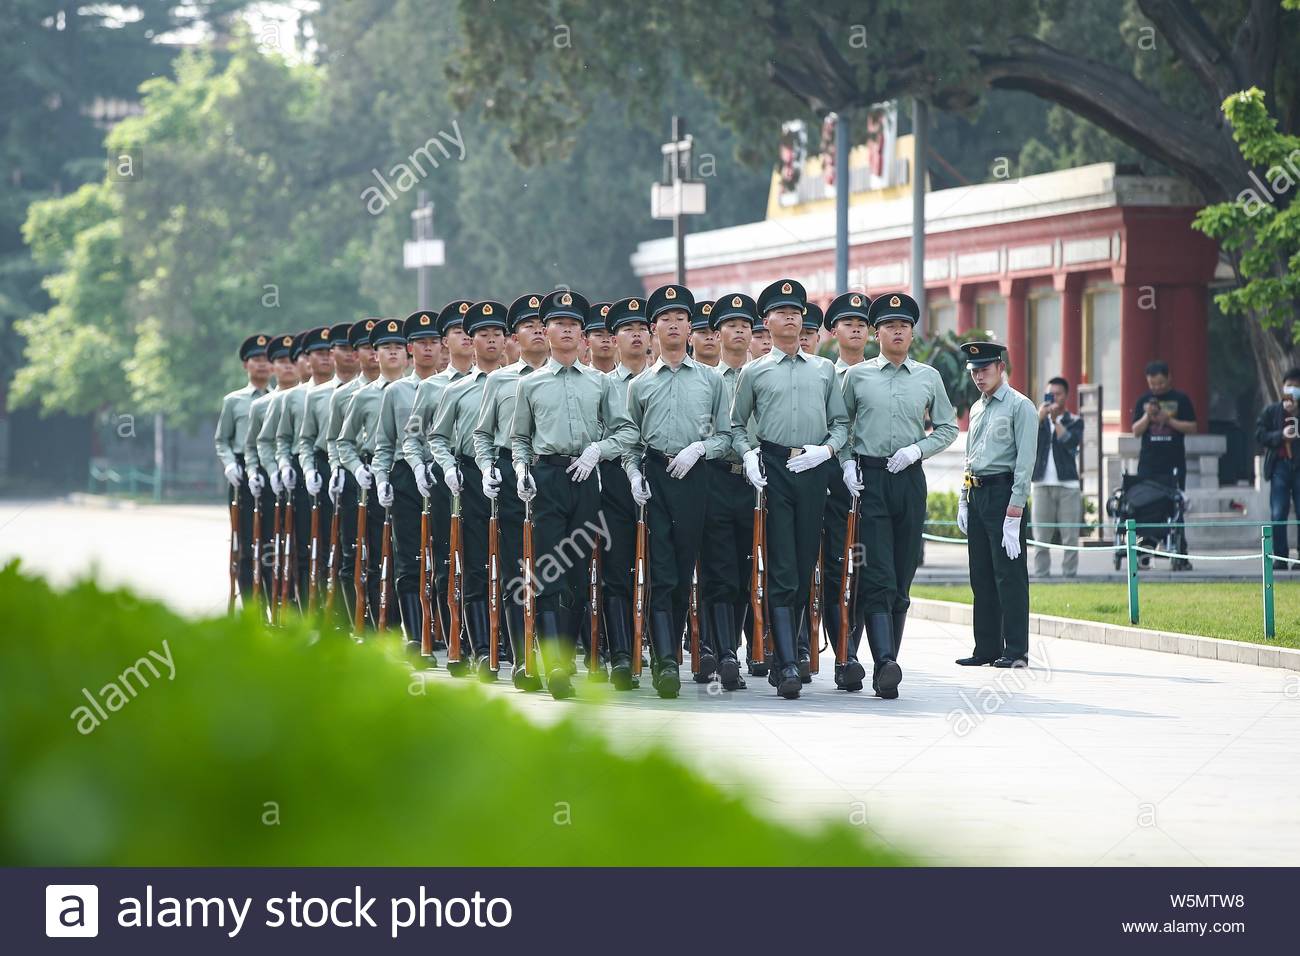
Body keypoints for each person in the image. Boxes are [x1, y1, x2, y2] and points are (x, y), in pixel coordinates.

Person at [510, 290, 633, 700]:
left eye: (573, 325)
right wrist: (521, 469)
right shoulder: (530, 385)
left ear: (583, 335)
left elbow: (626, 431)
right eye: (559, 324)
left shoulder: (600, 383)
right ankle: (555, 663)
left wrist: (600, 450)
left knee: (578, 577)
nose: (566, 331)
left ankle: (568, 656)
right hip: (547, 478)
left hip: (585, 478)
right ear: (545, 332)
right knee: (548, 573)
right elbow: (519, 438)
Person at [731, 278, 848, 699]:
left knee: (802, 567)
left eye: (797, 312)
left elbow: (841, 423)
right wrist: (748, 455)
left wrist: (827, 451)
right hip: (776, 466)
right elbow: (736, 424)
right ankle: (784, 663)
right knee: (780, 566)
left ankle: (791, 652)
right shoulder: (754, 371)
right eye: (782, 312)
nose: (791, 318)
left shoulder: (824, 370)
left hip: (812, 465)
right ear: (767, 322)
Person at [840, 293, 958, 697]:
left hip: (908, 478)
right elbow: (839, 425)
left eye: (904, 326)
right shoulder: (856, 377)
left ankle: (887, 660)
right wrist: (846, 461)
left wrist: (917, 449)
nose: (897, 332)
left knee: (903, 573)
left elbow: (947, 427)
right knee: (876, 572)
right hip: (869, 480)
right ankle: (885, 662)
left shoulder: (928, 377)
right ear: (877, 333)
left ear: (912, 332)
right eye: (889, 326)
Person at [619, 284, 732, 698]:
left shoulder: (710, 381)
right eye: (664, 319)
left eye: (680, 319)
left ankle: (682, 652)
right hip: (656, 475)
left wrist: (700, 448)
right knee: (661, 573)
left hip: (696, 476)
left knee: (685, 571)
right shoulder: (640, 385)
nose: (673, 325)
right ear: (653, 329)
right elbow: (629, 440)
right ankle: (665, 661)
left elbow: (727, 435)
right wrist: (634, 475)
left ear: (690, 327)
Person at [474, 293, 550, 691]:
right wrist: (487, 467)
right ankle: (522, 656)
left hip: (557, 472)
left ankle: (556, 653)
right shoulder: (500, 381)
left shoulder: (570, 378)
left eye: (542, 324)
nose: (537, 331)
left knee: (556, 565)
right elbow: (483, 434)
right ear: (512, 338)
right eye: (527, 326)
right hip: (511, 476)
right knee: (516, 569)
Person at [430, 300, 508, 680]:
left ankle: (511, 642)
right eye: (482, 334)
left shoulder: (518, 381)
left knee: (515, 563)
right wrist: (447, 469)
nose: (490, 340)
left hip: (512, 476)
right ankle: (480, 645)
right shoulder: (457, 390)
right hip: (469, 480)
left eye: (497, 333)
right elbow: (438, 438)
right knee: (476, 564)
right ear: (470, 341)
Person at [955, 341, 1037, 669]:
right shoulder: (977, 408)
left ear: (1001, 367)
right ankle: (986, 647)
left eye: (984, 369)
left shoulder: (1021, 406)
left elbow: (1025, 461)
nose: (978, 376)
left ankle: (1016, 649)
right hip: (977, 493)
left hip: (1004, 494)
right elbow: (970, 456)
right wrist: (964, 498)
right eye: (974, 371)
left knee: (1009, 574)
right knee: (982, 575)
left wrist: (1016, 508)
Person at [402, 300, 475, 659]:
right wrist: (418, 467)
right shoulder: (431, 389)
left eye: (469, 331)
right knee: (446, 561)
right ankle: (448, 635)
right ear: (445, 341)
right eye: (457, 332)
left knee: (482, 561)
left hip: (480, 476)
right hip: (444, 480)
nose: (466, 338)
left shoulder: (494, 381)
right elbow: (412, 438)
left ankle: (484, 639)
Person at [370, 310, 443, 662]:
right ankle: (416, 636)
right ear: (411, 348)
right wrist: (382, 477)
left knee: (447, 556)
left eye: (433, 342)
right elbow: (385, 442)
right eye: (421, 343)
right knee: (410, 557)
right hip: (405, 476)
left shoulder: (452, 386)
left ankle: (446, 629)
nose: (427, 349)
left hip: (446, 475)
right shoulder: (396, 392)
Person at [336, 318, 410, 632]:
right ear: (374, 354)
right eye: (384, 348)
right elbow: (343, 442)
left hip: (408, 473)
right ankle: (364, 617)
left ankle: (402, 623)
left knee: (405, 552)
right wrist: (357, 470)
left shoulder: (418, 390)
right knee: (370, 550)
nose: (392, 353)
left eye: (398, 347)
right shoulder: (361, 397)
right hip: (371, 476)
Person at [701, 292, 757, 690]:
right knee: (718, 569)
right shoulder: (705, 379)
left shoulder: (766, 374)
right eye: (731, 325)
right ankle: (722, 653)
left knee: (744, 570)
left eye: (745, 326)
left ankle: (732, 647)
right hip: (717, 477)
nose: (738, 331)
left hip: (758, 481)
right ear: (718, 333)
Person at [598, 296, 651, 689]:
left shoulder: (665, 376)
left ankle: (651, 640)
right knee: (617, 569)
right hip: (616, 481)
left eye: (640, 328)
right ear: (614, 339)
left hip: (666, 477)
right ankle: (620, 651)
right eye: (626, 329)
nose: (635, 335)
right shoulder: (600, 385)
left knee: (658, 568)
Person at [819, 293, 870, 690]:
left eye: (862, 322)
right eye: (847, 322)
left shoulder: (879, 375)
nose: (856, 328)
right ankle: (837, 652)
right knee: (834, 571)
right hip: (830, 485)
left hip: (872, 485)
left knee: (865, 570)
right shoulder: (821, 375)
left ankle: (852, 647)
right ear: (833, 331)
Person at [324, 319, 381, 628]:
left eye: (377, 348)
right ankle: (350, 620)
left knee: (385, 550)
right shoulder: (344, 395)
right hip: (353, 472)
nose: (373, 354)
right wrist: (340, 468)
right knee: (353, 551)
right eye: (366, 349)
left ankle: (380, 622)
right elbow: (335, 439)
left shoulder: (399, 389)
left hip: (387, 472)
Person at [277, 327, 336, 609]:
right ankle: (303, 604)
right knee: (306, 543)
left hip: (336, 468)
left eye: (329, 352)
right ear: (307, 358)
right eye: (319, 354)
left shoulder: (343, 391)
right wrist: (286, 467)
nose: (325, 358)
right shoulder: (294, 397)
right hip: (305, 470)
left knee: (335, 540)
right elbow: (283, 440)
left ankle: (334, 606)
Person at [215, 333, 272, 604]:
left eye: (266, 359)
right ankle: (250, 601)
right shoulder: (233, 401)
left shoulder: (280, 399)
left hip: (272, 469)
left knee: (273, 539)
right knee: (246, 541)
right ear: (245, 365)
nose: (262, 364)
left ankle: (274, 598)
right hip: (240, 472)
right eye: (256, 359)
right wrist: (229, 465)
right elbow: (222, 440)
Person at [245, 334, 299, 607]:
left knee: (299, 543)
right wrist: (256, 472)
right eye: (280, 361)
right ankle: (268, 595)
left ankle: (295, 600)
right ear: (273, 366)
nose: (287, 366)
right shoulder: (261, 405)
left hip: (301, 479)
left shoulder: (305, 398)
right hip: (270, 481)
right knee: (269, 542)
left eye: (292, 360)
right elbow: (254, 445)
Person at [1031, 376, 1085, 577]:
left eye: (1057, 394)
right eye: (1049, 394)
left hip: (1068, 485)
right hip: (1041, 484)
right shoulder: (1038, 420)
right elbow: (1024, 438)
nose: (1053, 397)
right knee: (1041, 535)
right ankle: (1041, 574)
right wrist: (1040, 418)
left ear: (1066, 396)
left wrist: (1056, 421)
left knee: (1070, 536)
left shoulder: (1075, 421)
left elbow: (1071, 444)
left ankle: (1070, 576)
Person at [1256, 368, 1300, 570]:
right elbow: (1260, 435)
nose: (1293, 390)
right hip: (1280, 467)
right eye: (1290, 385)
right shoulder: (1272, 412)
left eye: (1297, 386)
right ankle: (1280, 557)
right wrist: (1280, 435)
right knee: (1278, 512)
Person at [1132, 360, 1196, 487]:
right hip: (1148, 462)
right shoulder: (1143, 400)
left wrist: (1168, 420)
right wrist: (1147, 416)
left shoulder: (1181, 399)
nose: (1157, 387)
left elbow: (1192, 428)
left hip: (1173, 461)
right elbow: (1136, 431)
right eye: (1152, 384)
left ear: (1169, 378)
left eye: (1160, 383)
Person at [585, 302, 618, 373]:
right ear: (587, 341)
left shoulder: (630, 381)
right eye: (599, 335)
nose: (605, 340)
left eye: (611, 335)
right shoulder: (579, 380)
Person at [690, 301, 719, 366]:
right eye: (703, 332)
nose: (709, 337)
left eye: (714, 333)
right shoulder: (679, 373)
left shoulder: (739, 374)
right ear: (690, 339)